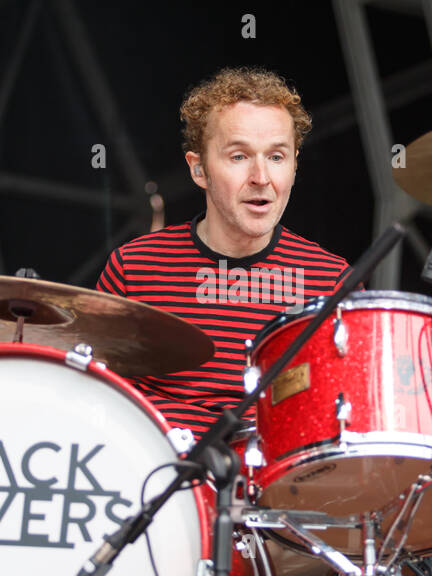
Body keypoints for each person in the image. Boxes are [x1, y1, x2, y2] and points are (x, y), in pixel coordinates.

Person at [97, 66, 350, 438]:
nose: (261, 177)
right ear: (199, 169)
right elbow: (92, 399)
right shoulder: (134, 268)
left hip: (275, 487)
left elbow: (344, 415)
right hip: (160, 478)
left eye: (277, 157)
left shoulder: (331, 281)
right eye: (238, 156)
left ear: (295, 166)